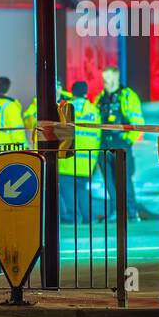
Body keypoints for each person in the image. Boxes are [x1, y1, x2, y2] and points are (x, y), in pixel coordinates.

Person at [95, 66, 145, 222]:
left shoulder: (128, 96)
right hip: (103, 145)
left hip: (120, 144)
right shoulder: (100, 98)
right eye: (103, 79)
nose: (105, 82)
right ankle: (116, 211)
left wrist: (127, 141)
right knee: (109, 182)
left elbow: (138, 123)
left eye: (108, 78)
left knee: (123, 180)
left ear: (116, 77)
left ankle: (131, 212)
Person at [58, 80, 102, 223]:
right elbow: (97, 136)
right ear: (85, 92)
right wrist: (94, 160)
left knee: (68, 191)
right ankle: (89, 218)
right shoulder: (94, 111)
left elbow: (59, 133)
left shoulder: (65, 108)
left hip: (67, 159)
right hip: (87, 160)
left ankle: (74, 218)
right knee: (82, 190)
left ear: (72, 92)